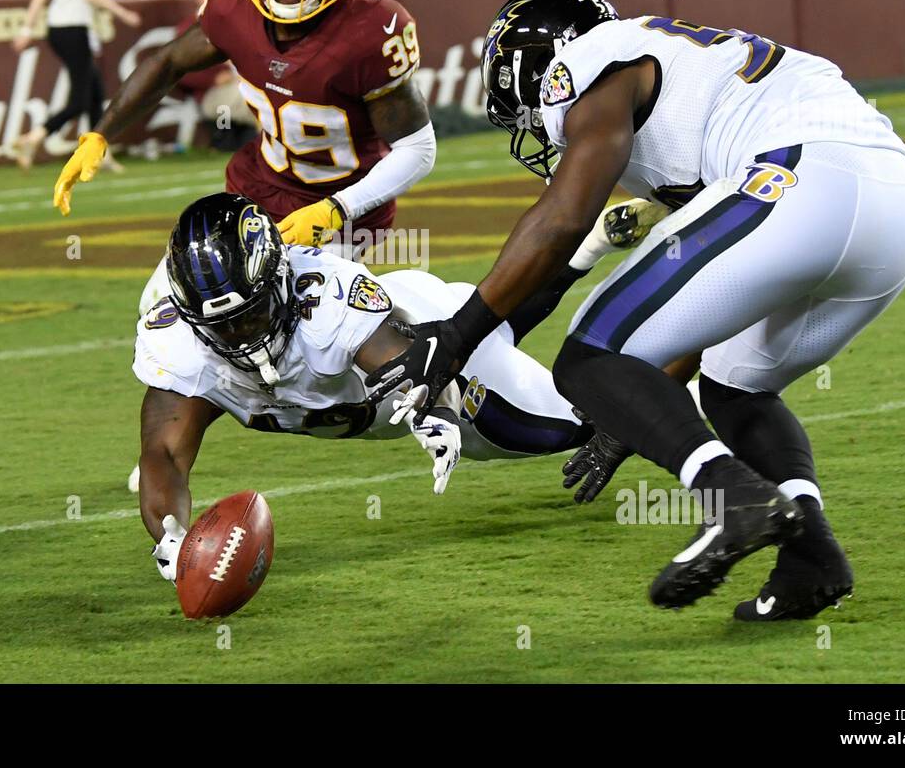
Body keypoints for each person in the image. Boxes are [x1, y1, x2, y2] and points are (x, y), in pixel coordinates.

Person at [367, 0, 905, 620]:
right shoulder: (680, 73)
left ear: (536, 54)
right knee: (735, 386)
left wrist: (455, 335)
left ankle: (734, 501)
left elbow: (562, 221)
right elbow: (694, 303)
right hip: (896, 211)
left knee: (586, 358)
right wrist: (638, 409)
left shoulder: (592, 57)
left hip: (799, 174)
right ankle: (813, 558)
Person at [133, 193, 610, 564]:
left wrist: (438, 414)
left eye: (251, 315)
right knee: (499, 327)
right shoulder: (178, 344)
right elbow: (164, 455)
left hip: (425, 339)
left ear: (280, 279)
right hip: (405, 336)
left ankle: (671, 389)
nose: (240, 336)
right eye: (222, 325)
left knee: (573, 429)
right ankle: (589, 249)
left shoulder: (325, 300)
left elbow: (415, 365)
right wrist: (171, 537)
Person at [51, 0, 437, 269]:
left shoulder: (370, 31)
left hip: (343, 210)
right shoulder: (234, 0)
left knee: (288, 317)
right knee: (178, 293)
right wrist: (100, 134)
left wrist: (336, 209)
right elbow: (168, 62)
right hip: (260, 184)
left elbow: (418, 149)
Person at [12, 0, 140, 169]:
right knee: (80, 99)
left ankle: (99, 155)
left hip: (58, 28)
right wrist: (122, 12)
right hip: (74, 26)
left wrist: (27, 28)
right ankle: (35, 137)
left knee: (94, 92)